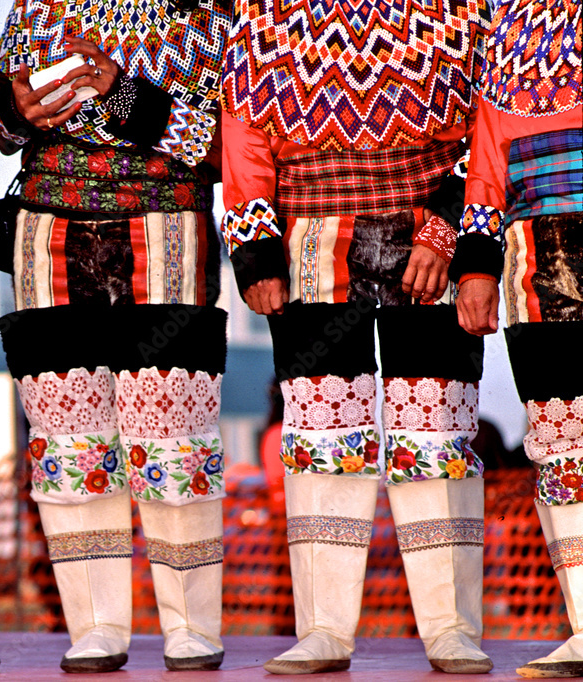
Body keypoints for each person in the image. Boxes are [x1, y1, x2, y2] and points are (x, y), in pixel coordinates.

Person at [222, 0, 494, 673]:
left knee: (440, 430)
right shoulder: (261, 15)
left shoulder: (461, 8)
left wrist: (445, 235)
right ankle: (323, 629)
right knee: (319, 436)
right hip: (312, 238)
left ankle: (452, 629)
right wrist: (255, 249)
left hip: (431, 239)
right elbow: (244, 135)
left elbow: (488, 131)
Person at [0, 0, 230, 672]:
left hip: (167, 226)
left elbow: (229, 144)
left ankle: (191, 626)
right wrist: (16, 111)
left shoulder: (206, 14)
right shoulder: (38, 7)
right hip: (45, 235)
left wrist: (121, 92)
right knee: (68, 440)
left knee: (175, 438)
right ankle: (94, 627)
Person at [452, 0, 582, 675]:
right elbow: (484, 158)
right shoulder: (497, 18)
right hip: (535, 251)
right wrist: (474, 262)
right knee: (561, 441)